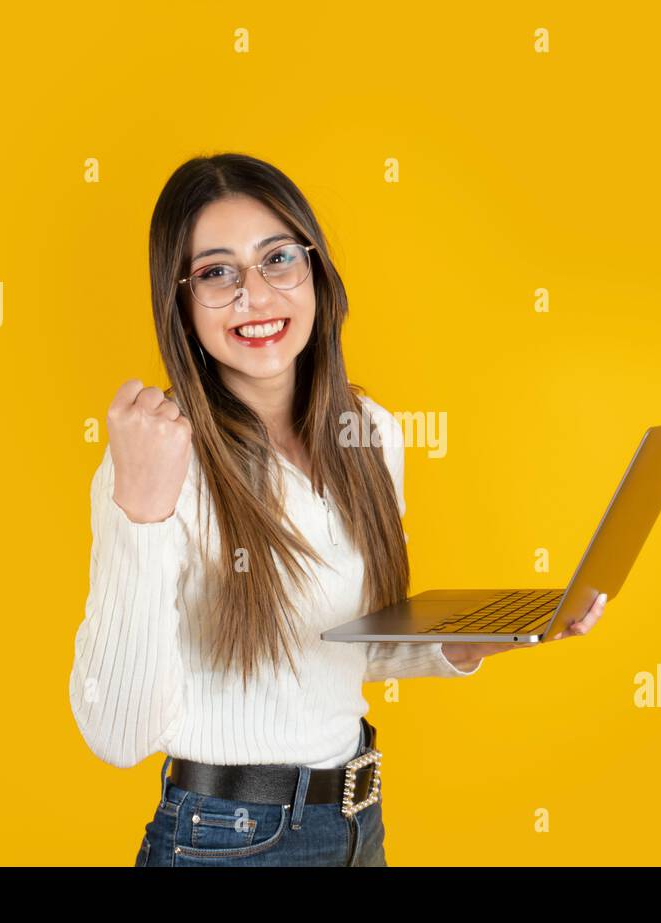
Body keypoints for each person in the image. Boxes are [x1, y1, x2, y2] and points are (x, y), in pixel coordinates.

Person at [68, 152, 608, 866]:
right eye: (218, 272)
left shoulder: (371, 433)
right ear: (182, 300)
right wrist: (140, 512)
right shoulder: (159, 458)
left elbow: (336, 648)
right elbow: (116, 734)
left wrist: (478, 640)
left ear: (315, 271)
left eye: (278, 259)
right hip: (225, 841)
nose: (255, 297)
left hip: (354, 826)